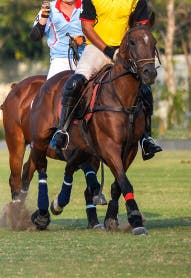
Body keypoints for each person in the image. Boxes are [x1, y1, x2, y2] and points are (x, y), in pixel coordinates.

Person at [50, 0, 163, 160]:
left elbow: (141, 28)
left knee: (144, 89)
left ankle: (146, 139)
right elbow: (87, 28)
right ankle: (62, 131)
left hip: (127, 52)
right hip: (97, 49)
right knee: (75, 82)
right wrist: (108, 50)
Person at [29, 0, 85, 79]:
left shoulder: (86, 5)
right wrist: (44, 16)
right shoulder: (50, 8)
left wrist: (82, 39)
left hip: (86, 57)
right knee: (50, 89)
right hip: (60, 59)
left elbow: (98, 31)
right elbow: (34, 37)